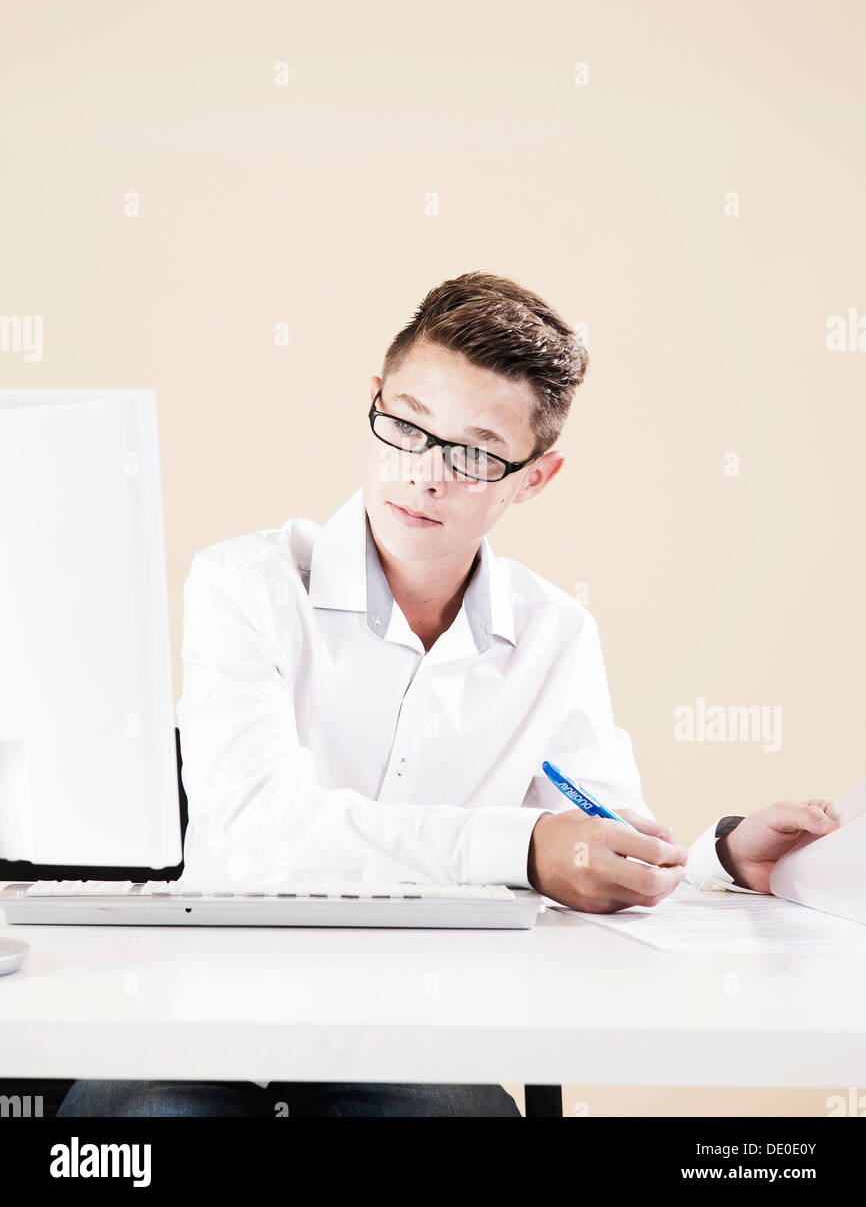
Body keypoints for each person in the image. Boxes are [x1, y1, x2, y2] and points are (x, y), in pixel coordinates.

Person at [58, 271, 839, 1118]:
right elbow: (258, 835)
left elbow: (599, 852)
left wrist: (718, 861)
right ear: (375, 401)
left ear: (534, 479)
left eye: (473, 452)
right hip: (210, 1017)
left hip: (418, 1032)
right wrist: (525, 849)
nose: (425, 474)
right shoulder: (246, 583)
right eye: (407, 427)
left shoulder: (555, 635)